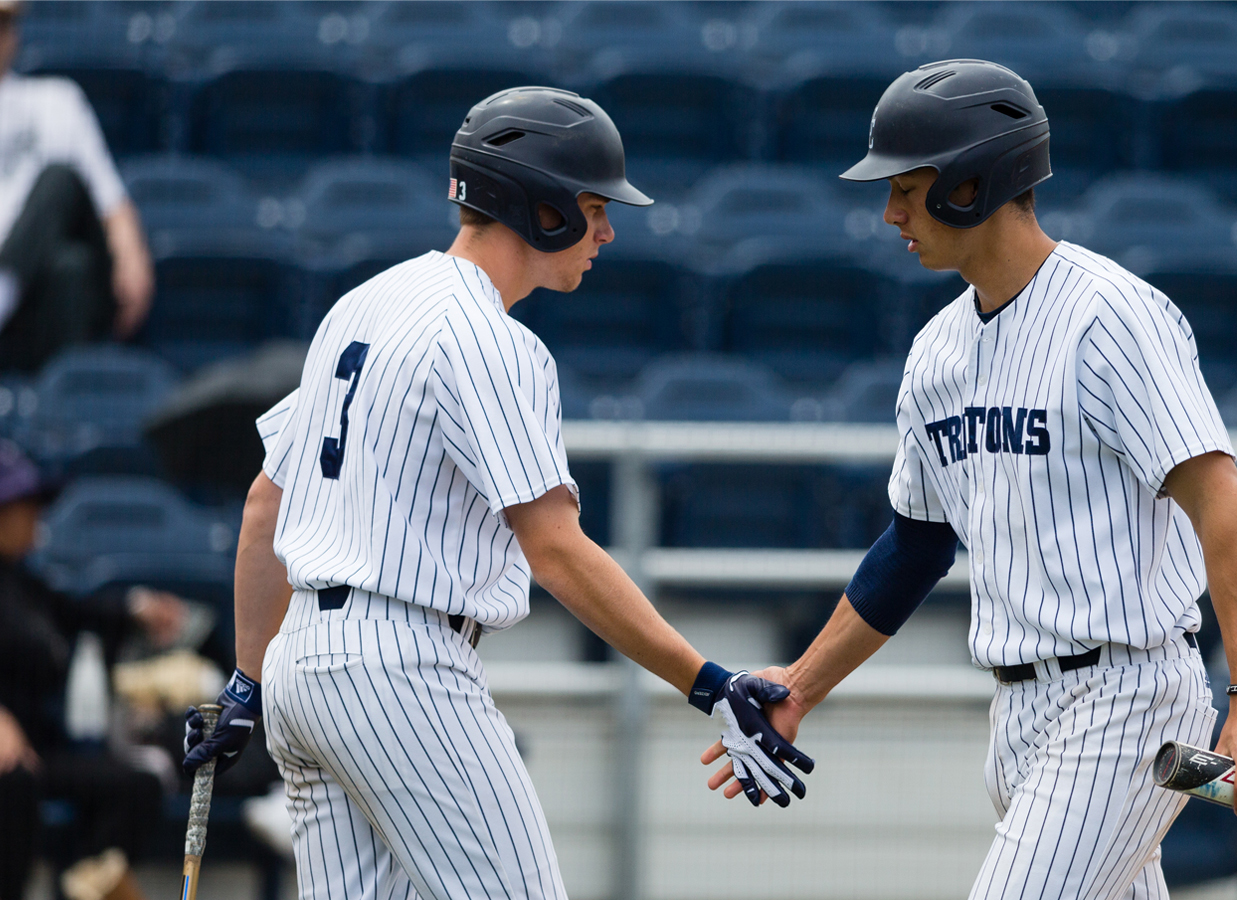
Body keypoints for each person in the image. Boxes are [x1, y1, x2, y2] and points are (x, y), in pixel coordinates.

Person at [180, 87, 812, 900]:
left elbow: (265, 506)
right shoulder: (491, 339)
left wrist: (247, 681)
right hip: (400, 667)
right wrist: (708, 681)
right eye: (593, 207)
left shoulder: (360, 304)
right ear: (541, 207)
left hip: (303, 666)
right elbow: (554, 549)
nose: (608, 230)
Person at [702, 60, 1237, 899]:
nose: (890, 213)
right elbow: (913, 547)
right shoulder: (937, 351)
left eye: (908, 188)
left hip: (1126, 698)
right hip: (1018, 717)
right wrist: (801, 685)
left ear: (973, 183)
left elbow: (1221, 499)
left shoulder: (1110, 316)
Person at [0, 440, 189, 900]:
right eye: (24, 506)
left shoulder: (22, 580)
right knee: (13, 784)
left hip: (41, 746)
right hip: (11, 761)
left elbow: (75, 612)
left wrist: (135, 608)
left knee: (139, 785)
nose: (36, 517)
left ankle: (83, 890)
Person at [0, 0, 154, 373]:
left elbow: (110, 203)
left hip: (40, 301)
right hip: (45, 289)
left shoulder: (55, 99)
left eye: (4, 24)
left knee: (60, 180)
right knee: (69, 265)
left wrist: (133, 257)